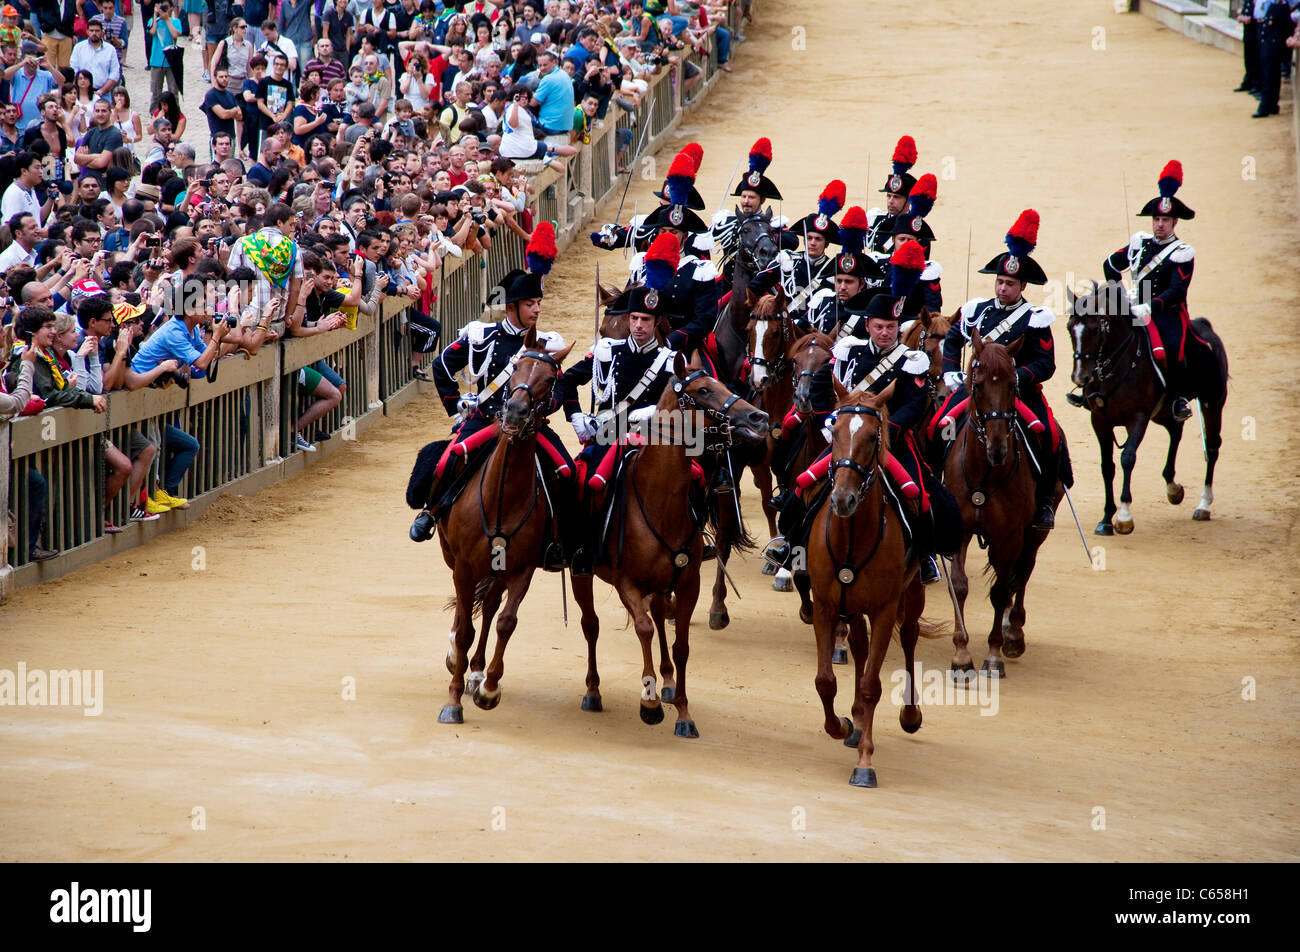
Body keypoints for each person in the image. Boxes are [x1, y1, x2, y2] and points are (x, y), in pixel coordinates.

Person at [412, 228, 571, 558]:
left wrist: (546, 408)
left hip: (529, 425)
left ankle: (561, 536)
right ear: (512, 307)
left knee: (565, 470)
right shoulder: (480, 335)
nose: (537, 310)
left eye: (539, 303)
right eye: (530, 304)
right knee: (446, 461)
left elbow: (558, 389)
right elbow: (441, 366)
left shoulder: (547, 344)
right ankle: (433, 511)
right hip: (485, 421)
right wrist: (457, 408)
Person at [937, 209, 1065, 531]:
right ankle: (935, 492)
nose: (1002, 288)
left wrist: (1017, 378)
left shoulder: (1034, 317)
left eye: (1009, 283)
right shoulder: (976, 311)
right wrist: (952, 373)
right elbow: (952, 341)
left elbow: (1045, 363)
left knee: (1049, 435)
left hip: (1017, 392)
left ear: (1022, 285)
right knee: (937, 427)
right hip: (977, 391)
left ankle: (1045, 502)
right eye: (999, 281)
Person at [554, 283, 683, 574]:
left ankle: (694, 538)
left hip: (653, 439)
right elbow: (565, 382)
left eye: (646, 320)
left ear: (657, 322)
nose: (638, 325)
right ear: (627, 319)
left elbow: (686, 405)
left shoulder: (670, 361)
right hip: (608, 435)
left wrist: (659, 413)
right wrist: (577, 417)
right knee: (582, 483)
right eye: (634, 318)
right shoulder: (606, 353)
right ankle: (581, 546)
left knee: (694, 478)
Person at [1094, 160, 1197, 422]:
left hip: (1166, 312)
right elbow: (1110, 265)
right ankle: (1093, 388)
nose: (1160, 224)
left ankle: (1178, 398)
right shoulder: (1139, 243)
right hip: (1135, 304)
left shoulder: (1182, 253)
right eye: (1157, 219)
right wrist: (1120, 294)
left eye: (1165, 220)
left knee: (1174, 346)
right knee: (1104, 336)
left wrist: (1150, 306)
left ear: (1175, 222)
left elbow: (1176, 291)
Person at [866, 135, 917, 255]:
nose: (890, 201)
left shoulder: (916, 227)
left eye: (897, 197)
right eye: (889, 196)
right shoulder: (875, 220)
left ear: (909, 199)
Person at [68, 15, 120, 100]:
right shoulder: (79, 47)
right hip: (82, 93)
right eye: (91, 31)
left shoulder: (110, 49)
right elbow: (74, 69)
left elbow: (114, 73)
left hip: (104, 94)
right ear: (87, 32)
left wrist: (101, 91)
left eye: (97, 31)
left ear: (102, 32)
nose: (94, 33)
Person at [147, 1, 183, 113]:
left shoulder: (175, 21)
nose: (163, 10)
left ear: (171, 8)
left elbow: (175, 34)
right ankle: (154, 113)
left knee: (173, 91)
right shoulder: (154, 21)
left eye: (166, 8)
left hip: (172, 61)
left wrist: (167, 19)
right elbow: (152, 31)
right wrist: (155, 15)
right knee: (156, 92)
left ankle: (175, 114)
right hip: (157, 61)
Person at [202, 66, 242, 152]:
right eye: (221, 77)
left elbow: (240, 116)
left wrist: (230, 112)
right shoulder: (211, 95)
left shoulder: (230, 94)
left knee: (230, 163)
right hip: (217, 138)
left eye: (226, 76)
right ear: (215, 78)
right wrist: (234, 110)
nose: (224, 79)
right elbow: (223, 115)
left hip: (231, 137)